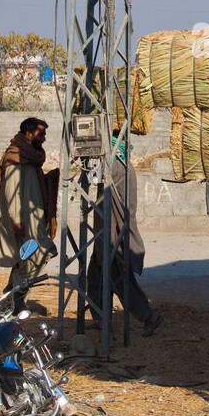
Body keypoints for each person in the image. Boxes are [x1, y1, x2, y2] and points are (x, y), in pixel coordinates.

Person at [87, 134, 161, 336]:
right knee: (96, 272)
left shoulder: (116, 166)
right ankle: (101, 319)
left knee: (116, 275)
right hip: (107, 230)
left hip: (114, 231)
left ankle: (148, 316)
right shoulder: (121, 164)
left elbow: (93, 178)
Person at [0, 117, 58, 305]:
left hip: (33, 222)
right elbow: (11, 192)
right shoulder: (15, 157)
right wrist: (16, 222)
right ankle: (16, 296)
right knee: (40, 253)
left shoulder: (31, 157)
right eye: (41, 133)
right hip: (21, 223)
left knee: (25, 260)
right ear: (28, 133)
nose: (43, 138)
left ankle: (13, 296)